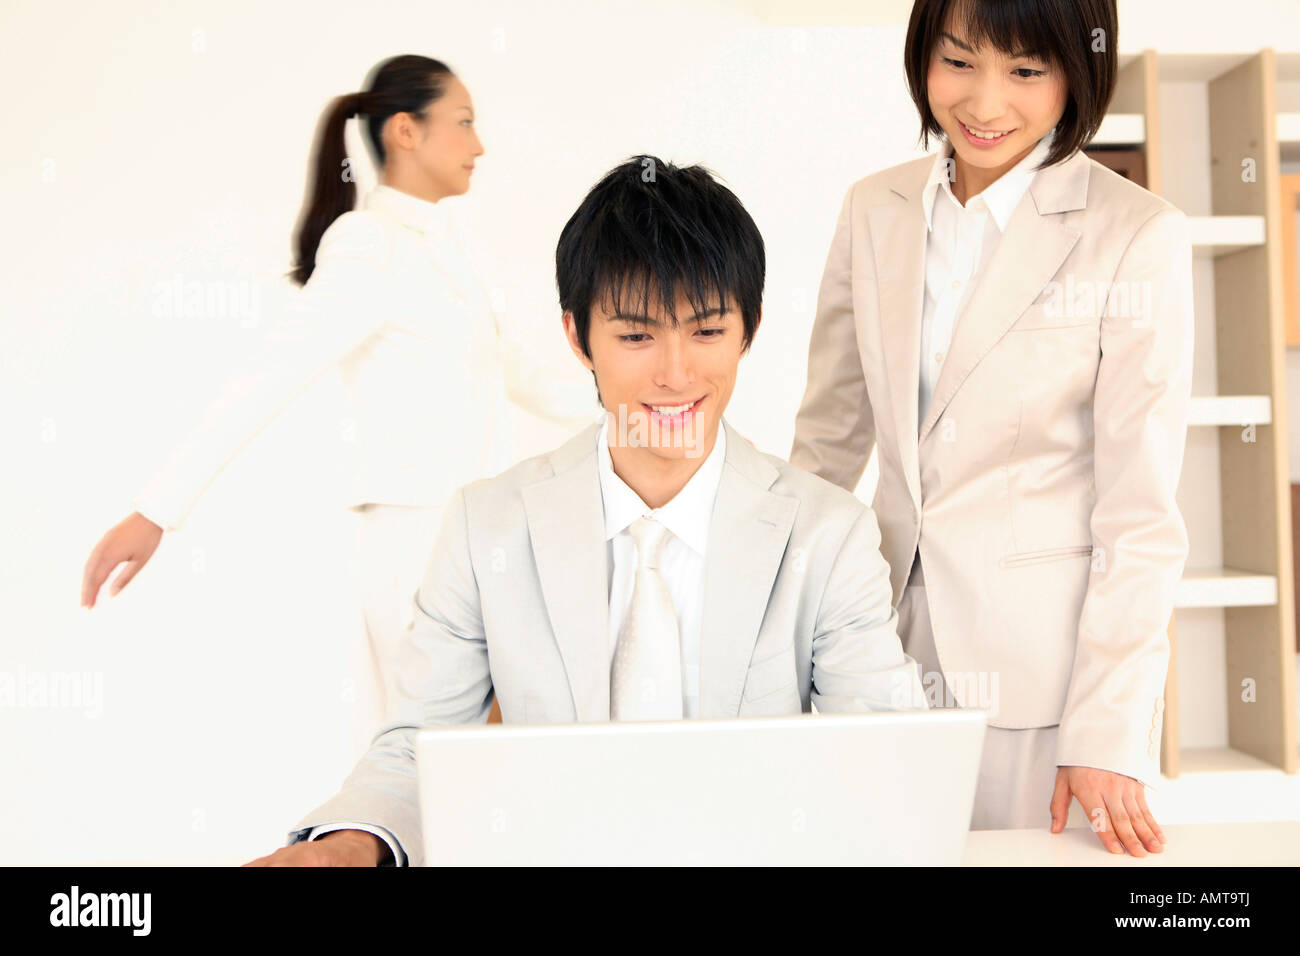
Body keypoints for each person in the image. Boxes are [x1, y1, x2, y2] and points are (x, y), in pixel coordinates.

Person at [246, 155, 929, 867]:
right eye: (635, 336)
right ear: (578, 338)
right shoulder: (489, 526)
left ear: (748, 329)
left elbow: (881, 755)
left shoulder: (827, 533)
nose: (674, 374)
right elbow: (419, 744)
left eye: (706, 331)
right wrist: (350, 845)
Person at [79, 55, 592, 746]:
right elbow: (270, 375)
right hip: (412, 546)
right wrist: (156, 510)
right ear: (406, 131)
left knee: (482, 753)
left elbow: (523, 377)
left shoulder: (446, 256)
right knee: (428, 760)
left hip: (475, 541)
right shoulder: (368, 244)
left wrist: (640, 410)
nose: (480, 145)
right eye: (465, 123)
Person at [790, 0, 1193, 856]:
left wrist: (1108, 732)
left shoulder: (1135, 236)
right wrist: (783, 640)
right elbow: (827, 442)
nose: (984, 102)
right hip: (873, 651)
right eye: (959, 61)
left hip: (1041, 677)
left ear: (1076, 73)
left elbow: (1140, 511)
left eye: (1025, 71)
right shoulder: (873, 208)